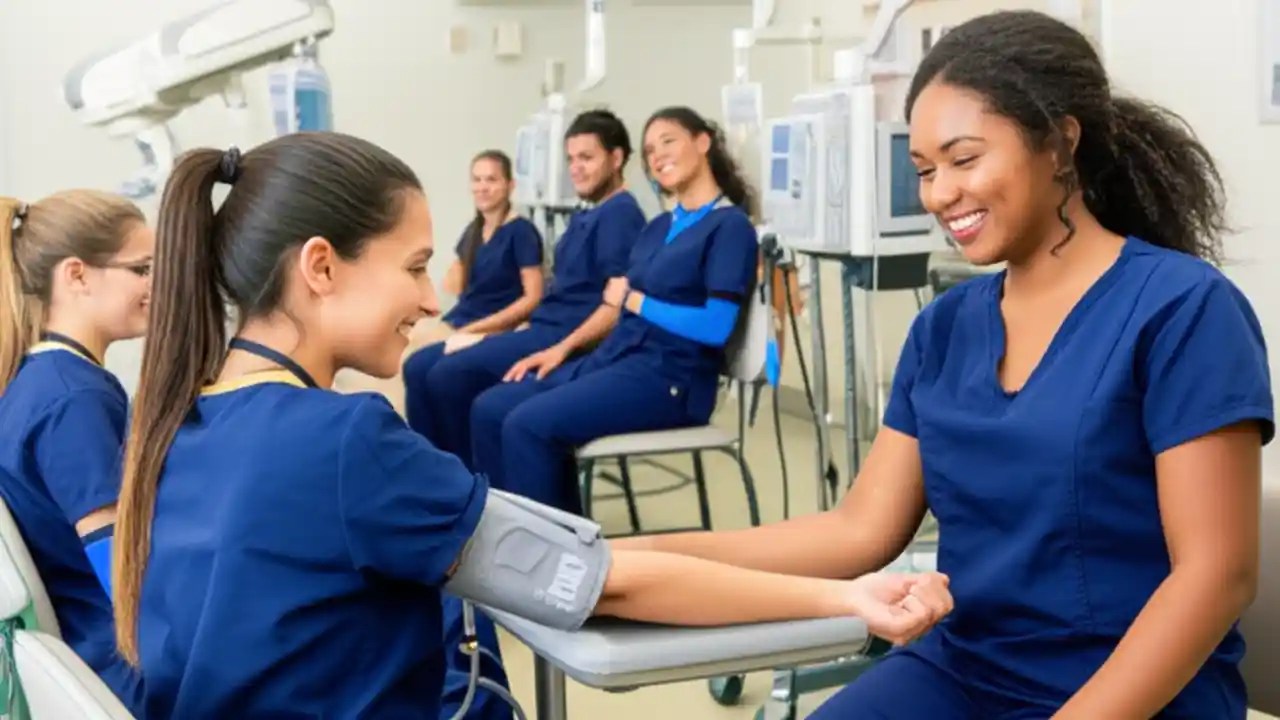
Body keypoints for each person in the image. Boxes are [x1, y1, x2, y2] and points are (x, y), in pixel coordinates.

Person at [111, 132, 952, 719]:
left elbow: (579, 558)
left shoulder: (177, 421)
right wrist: (841, 601)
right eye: (411, 268)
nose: (431, 298)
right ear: (321, 266)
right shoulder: (344, 443)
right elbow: (602, 584)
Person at [617, 11, 1274, 719]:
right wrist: (648, 556)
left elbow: (1216, 576)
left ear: (1060, 143)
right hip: (966, 667)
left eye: (964, 160)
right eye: (925, 171)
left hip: (1134, 686)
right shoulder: (944, 330)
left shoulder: (1182, 310)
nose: (938, 195)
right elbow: (858, 531)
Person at [469, 106, 761, 514]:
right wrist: (562, 351)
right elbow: (618, 311)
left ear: (703, 142)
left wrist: (636, 300)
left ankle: (557, 560)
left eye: (668, 142)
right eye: (650, 151)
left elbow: (716, 326)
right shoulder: (658, 229)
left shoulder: (730, 228)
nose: (657, 156)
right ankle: (502, 536)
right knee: (490, 407)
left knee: (527, 425)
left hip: (670, 380)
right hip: (617, 359)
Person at [404, 109, 646, 467]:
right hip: (539, 329)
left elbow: (615, 308)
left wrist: (562, 348)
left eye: (587, 157)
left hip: (564, 339)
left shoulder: (620, 216)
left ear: (616, 158)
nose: (575, 167)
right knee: (418, 365)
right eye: (570, 159)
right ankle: (434, 478)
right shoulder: (588, 215)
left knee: (447, 374)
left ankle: (467, 490)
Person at [0, 191, 151, 715]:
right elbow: (121, 574)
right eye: (143, 269)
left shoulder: (33, 382)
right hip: (130, 672)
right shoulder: (74, 399)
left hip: (92, 656)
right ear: (77, 275)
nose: (159, 284)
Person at [338, 150, 544, 413]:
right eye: (477, 180)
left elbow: (533, 297)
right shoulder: (474, 231)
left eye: (491, 180)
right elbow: (452, 283)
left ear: (509, 185)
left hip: (488, 328)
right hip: (459, 320)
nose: (482, 187)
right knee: (393, 345)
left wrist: (478, 329)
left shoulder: (521, 233)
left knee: (408, 361)